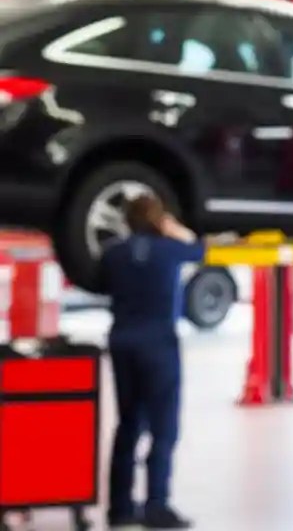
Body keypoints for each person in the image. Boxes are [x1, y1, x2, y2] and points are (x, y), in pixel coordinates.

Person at [95, 194, 205, 529]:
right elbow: (199, 249)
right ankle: (156, 505)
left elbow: (101, 282)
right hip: (158, 344)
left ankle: (120, 509)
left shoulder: (114, 253)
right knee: (164, 428)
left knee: (128, 424)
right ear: (158, 219)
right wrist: (172, 228)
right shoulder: (169, 250)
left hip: (123, 341)